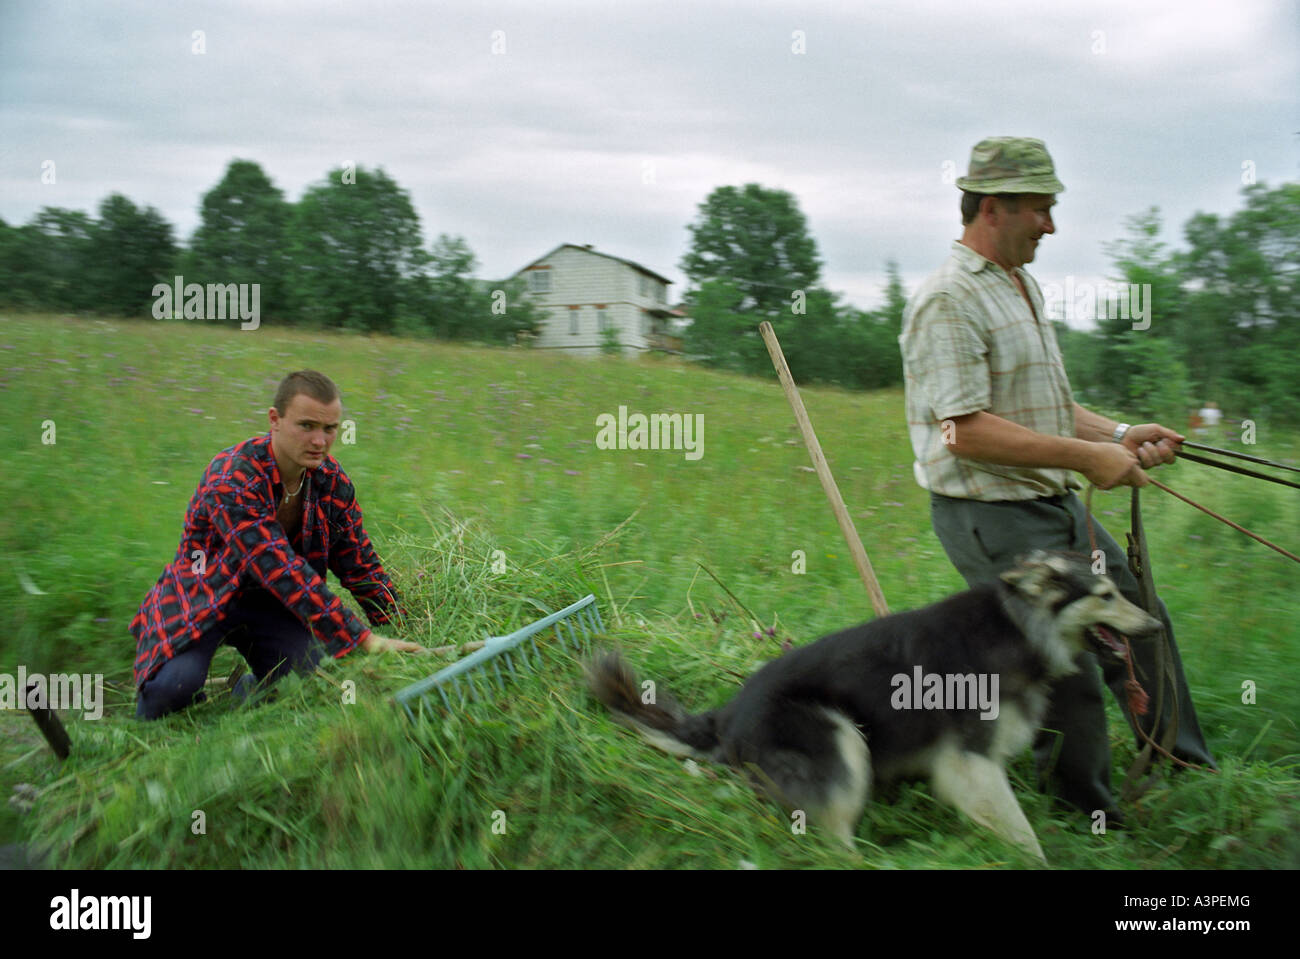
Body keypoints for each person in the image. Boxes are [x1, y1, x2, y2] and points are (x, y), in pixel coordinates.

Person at [899, 137, 1215, 823]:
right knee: (1059, 664)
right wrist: (1085, 459)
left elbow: (1042, 406)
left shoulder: (1020, 283)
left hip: (1053, 501)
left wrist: (1118, 435)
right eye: (1040, 209)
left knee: (1139, 623)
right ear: (993, 207)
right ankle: (1089, 819)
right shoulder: (948, 300)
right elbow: (965, 430)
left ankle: (1186, 772)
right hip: (993, 513)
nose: (1051, 225)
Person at [131, 370, 423, 719]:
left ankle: (249, 689)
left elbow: (356, 559)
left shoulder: (332, 483)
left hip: (273, 604)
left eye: (329, 429)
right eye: (307, 426)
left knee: (314, 680)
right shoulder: (233, 476)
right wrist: (360, 638)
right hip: (204, 595)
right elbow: (276, 565)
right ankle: (174, 698)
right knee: (172, 689)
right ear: (275, 420)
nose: (319, 441)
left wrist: (395, 622)